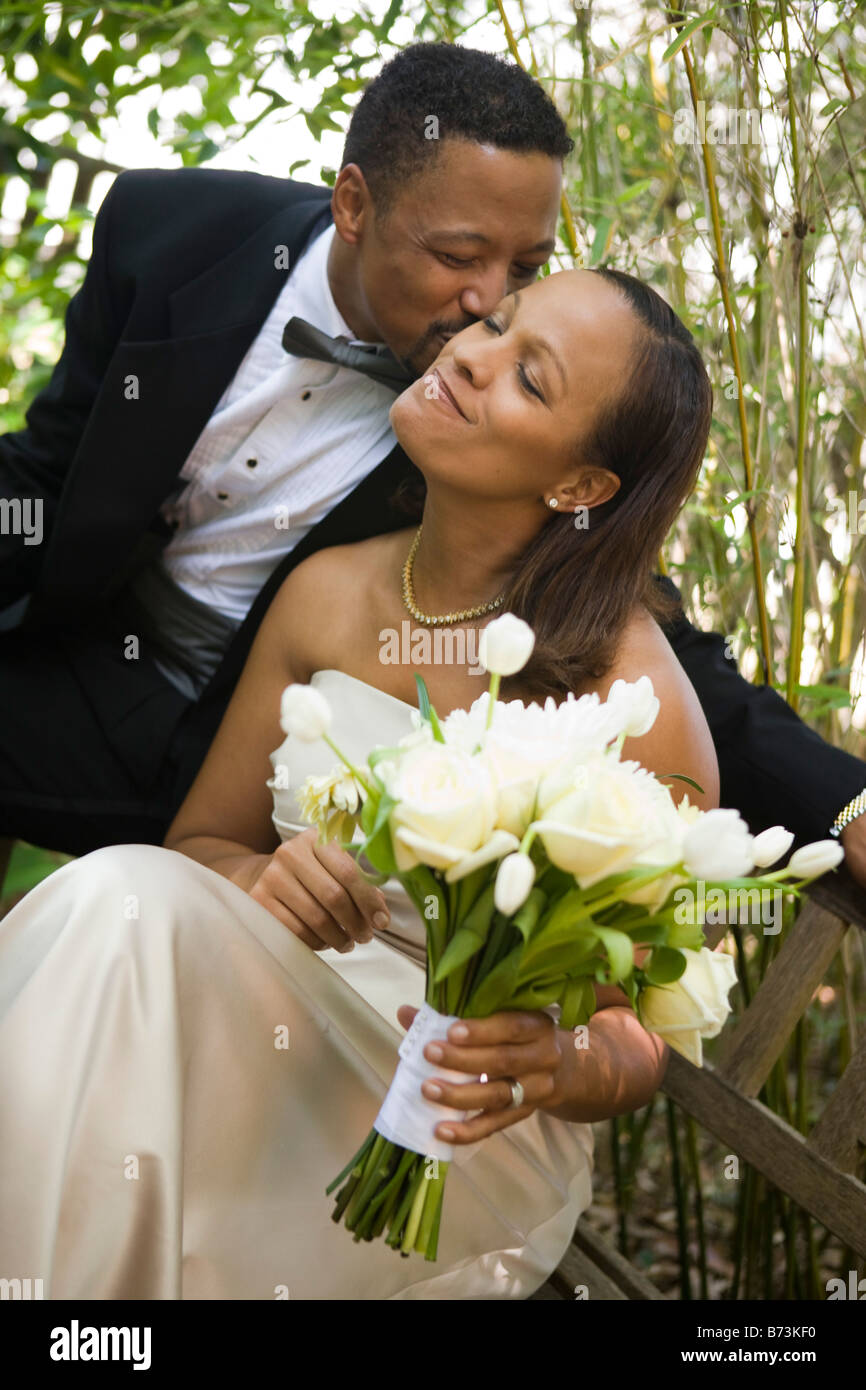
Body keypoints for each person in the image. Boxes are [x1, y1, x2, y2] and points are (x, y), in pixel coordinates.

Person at [0, 265, 721, 1299]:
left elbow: (646, 1026)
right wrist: (259, 881)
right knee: (127, 903)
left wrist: (557, 1060)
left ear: (580, 486)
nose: (469, 355)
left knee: (118, 935)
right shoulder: (326, 594)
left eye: (528, 377)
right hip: (248, 1020)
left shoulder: (632, 699)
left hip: (444, 1117)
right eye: (496, 324)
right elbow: (199, 847)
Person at [1, 41, 864, 885]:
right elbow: (51, 475)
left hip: (274, 768)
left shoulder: (488, 417)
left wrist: (846, 804)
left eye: (523, 268)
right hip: (93, 663)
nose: (488, 302)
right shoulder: (168, 232)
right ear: (353, 203)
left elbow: (634, 624)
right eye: (458, 257)